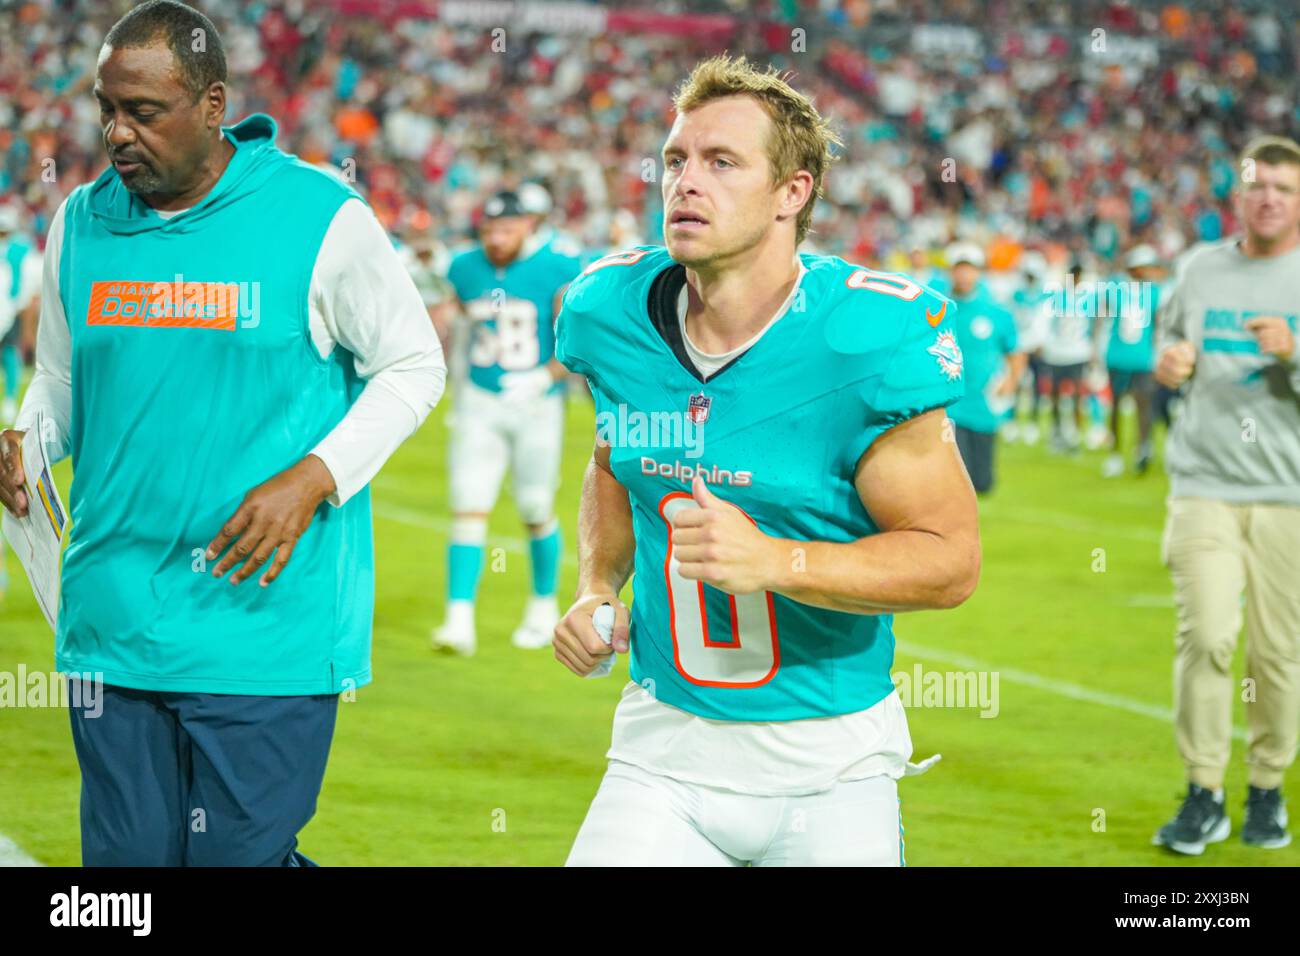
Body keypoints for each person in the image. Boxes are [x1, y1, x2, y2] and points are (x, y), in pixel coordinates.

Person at [0, 0, 445, 866]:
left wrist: (316, 474)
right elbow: (58, 382)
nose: (118, 133)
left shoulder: (321, 217)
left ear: (212, 105)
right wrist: (24, 440)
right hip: (112, 621)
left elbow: (414, 365)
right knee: (123, 888)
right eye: (107, 108)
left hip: (261, 624)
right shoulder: (83, 222)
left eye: (144, 111)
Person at [551, 55, 980, 867]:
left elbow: (950, 561)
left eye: (722, 163)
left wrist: (776, 559)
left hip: (830, 764)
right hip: (661, 752)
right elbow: (614, 458)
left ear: (794, 192)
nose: (685, 182)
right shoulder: (609, 313)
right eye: (676, 159)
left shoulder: (866, 339)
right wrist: (597, 587)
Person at [1151, 135, 1300, 855]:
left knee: (1277, 655)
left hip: (1289, 496)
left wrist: (1294, 355)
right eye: (1257, 185)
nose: (1269, 197)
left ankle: (1267, 790)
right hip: (1203, 485)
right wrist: (1170, 362)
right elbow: (1167, 341)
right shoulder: (1201, 268)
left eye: (1284, 187)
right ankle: (1203, 790)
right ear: (1238, 196)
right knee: (1207, 636)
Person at [431, 189, 583, 655]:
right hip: (480, 398)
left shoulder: (557, 267)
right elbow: (446, 316)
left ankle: (542, 607)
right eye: (489, 229)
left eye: (507, 229)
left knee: (536, 506)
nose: (497, 238)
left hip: (536, 402)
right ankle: (458, 621)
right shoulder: (463, 267)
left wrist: (546, 376)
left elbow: (578, 337)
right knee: (468, 503)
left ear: (527, 226)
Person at [943, 243, 1025, 494]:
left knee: (983, 483)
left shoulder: (997, 312)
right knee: (958, 479)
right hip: (950, 406)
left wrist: (1011, 381)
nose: (964, 275)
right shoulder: (940, 308)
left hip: (984, 405)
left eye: (970, 269)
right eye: (960, 269)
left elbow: (1015, 351)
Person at [1101, 245, 1164, 477]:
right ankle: (1115, 452)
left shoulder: (1154, 292)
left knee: (1144, 406)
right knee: (1116, 407)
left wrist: (1157, 354)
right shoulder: (1115, 288)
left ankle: (1143, 448)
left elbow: (1158, 326)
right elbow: (1103, 318)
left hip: (1143, 359)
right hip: (1118, 356)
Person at [1041, 261, 1098, 452]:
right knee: (1058, 395)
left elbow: (1094, 324)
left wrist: (1092, 349)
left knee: (1075, 395)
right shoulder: (1059, 296)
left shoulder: (1086, 297)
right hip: (1059, 352)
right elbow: (1047, 322)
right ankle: (1058, 432)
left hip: (1077, 352)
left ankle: (1073, 434)